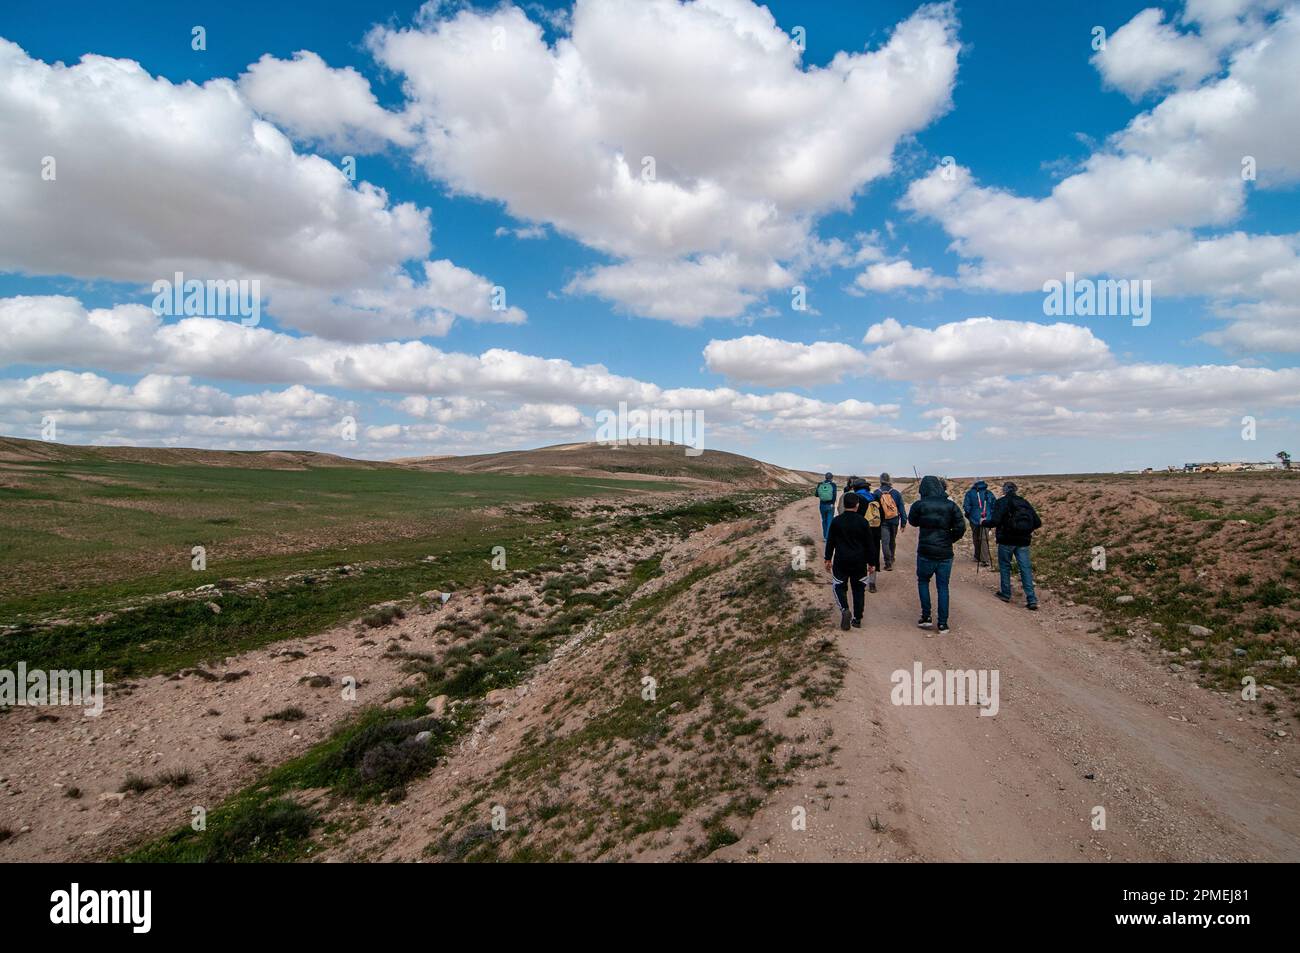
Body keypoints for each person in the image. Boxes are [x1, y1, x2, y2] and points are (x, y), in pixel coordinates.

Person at [907, 474, 965, 633]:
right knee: (943, 587)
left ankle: (926, 617)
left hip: (925, 551)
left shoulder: (919, 505)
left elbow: (912, 521)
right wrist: (949, 539)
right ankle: (942, 623)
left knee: (923, 582)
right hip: (945, 552)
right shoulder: (951, 505)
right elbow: (961, 527)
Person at [990, 481, 1042, 610]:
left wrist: (984, 523)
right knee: (1025, 568)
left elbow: (995, 521)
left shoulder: (1001, 502)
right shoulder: (1024, 502)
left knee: (1005, 566)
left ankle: (1006, 593)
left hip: (1006, 540)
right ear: (1016, 490)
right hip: (1023, 541)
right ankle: (1031, 598)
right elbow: (1037, 522)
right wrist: (1024, 530)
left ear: (1004, 490)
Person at [824, 491, 872, 630]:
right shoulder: (863, 522)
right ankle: (857, 619)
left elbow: (830, 541)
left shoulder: (836, 521)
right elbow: (870, 544)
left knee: (839, 586)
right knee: (858, 589)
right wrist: (872, 563)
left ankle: (845, 609)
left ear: (844, 505)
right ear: (857, 505)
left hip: (841, 560)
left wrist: (827, 558)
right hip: (859, 561)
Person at [962, 479, 997, 566]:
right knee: (984, 538)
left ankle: (977, 556)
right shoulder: (989, 493)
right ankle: (984, 559)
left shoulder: (969, 493)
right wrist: (991, 516)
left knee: (976, 537)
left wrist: (969, 515)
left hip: (974, 519)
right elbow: (994, 505)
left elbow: (966, 506)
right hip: (987, 518)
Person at [875, 473, 906, 570]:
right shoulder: (896, 493)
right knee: (892, 540)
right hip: (894, 520)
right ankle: (891, 558)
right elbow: (901, 508)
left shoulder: (876, 492)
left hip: (883, 521)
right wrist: (903, 522)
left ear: (880, 480)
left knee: (885, 542)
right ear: (890, 480)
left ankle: (888, 563)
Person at [814, 472, 837, 541]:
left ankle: (825, 537)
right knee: (829, 520)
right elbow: (834, 495)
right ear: (831, 478)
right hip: (830, 505)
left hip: (822, 505)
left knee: (824, 520)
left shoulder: (820, 484)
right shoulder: (833, 485)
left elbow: (816, 494)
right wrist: (832, 503)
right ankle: (828, 537)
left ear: (825, 477)